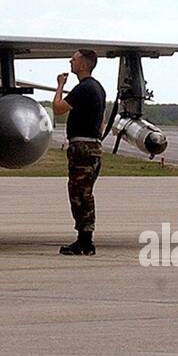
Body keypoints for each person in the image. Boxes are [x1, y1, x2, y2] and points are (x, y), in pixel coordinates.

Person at [52, 49, 106, 256]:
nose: (70, 61)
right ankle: (85, 239)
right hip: (93, 146)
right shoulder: (98, 88)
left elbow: (58, 108)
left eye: (73, 59)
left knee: (79, 194)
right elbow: (102, 119)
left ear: (83, 64)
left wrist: (60, 86)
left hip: (82, 148)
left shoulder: (83, 88)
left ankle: (84, 241)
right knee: (84, 193)